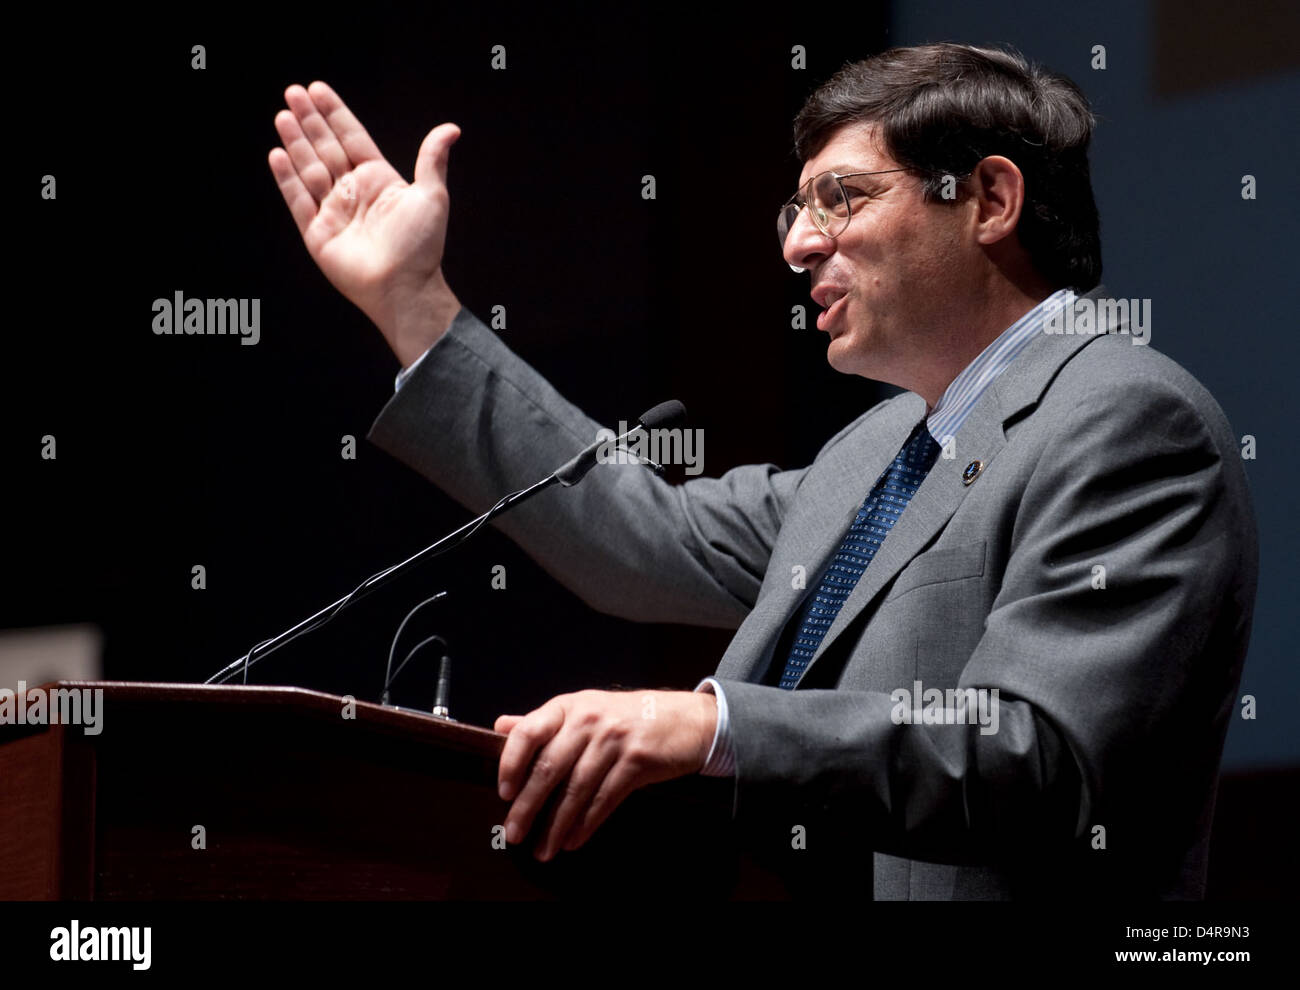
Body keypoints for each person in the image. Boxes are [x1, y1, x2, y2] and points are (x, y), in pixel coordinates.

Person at [267, 43, 1258, 899]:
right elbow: (630, 534)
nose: (796, 243)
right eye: (797, 206)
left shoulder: (1124, 417)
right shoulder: (871, 455)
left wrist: (715, 726)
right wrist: (413, 305)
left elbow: (1034, 756)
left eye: (843, 198)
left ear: (989, 200)